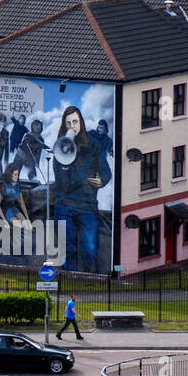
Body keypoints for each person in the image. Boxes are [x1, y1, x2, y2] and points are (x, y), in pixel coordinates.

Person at [51, 105, 110, 275]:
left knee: (90, 248)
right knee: (67, 247)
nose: (72, 126)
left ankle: (89, 278)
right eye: (68, 123)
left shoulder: (94, 144)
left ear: (81, 123)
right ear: (64, 125)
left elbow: (105, 170)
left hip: (87, 206)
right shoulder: (61, 145)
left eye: (75, 122)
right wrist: (66, 156)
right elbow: (60, 180)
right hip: (64, 205)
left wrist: (101, 180)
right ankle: (71, 279)